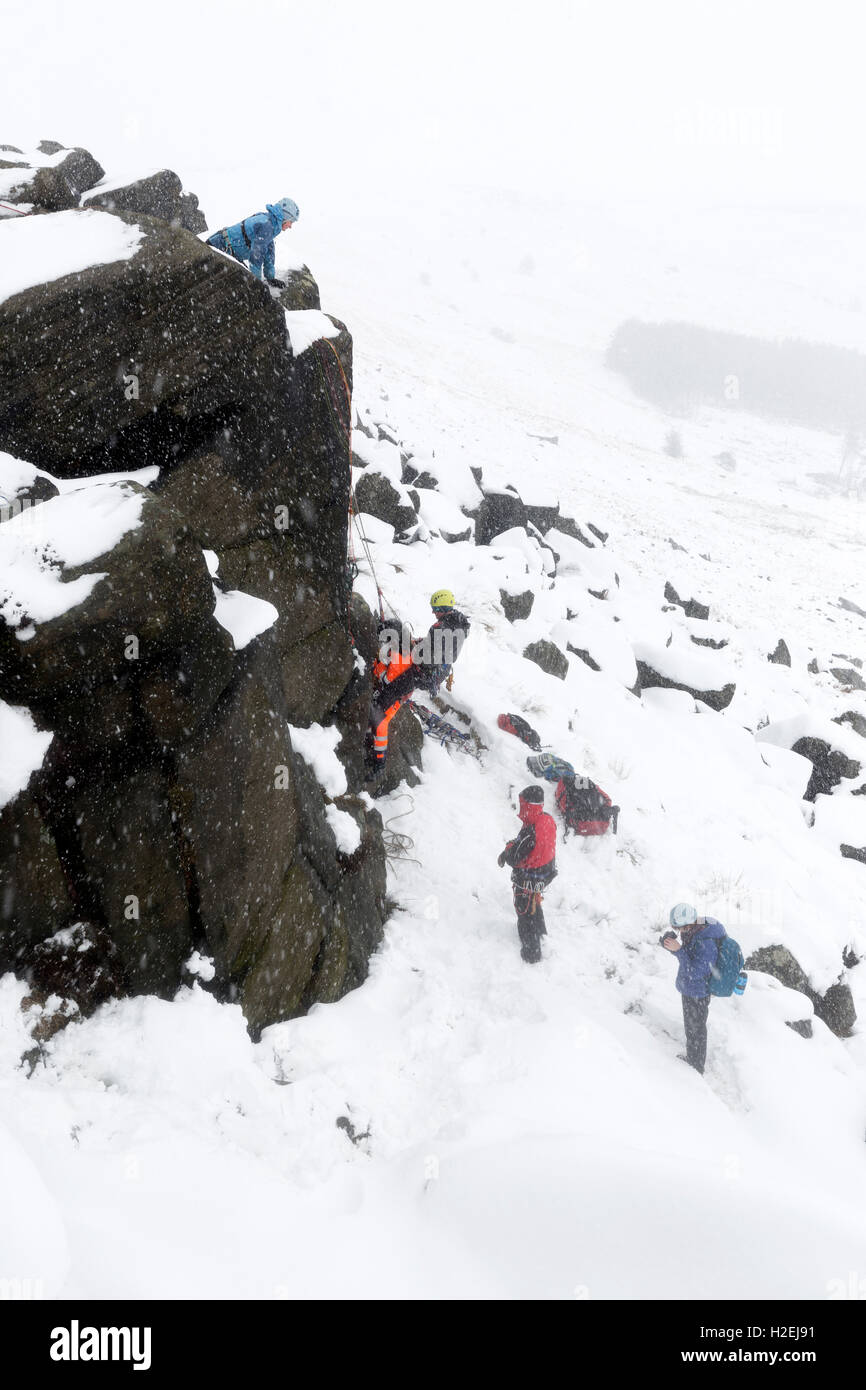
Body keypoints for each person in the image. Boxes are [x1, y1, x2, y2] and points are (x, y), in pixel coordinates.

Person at [366, 591, 471, 776]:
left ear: (442, 608)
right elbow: (435, 647)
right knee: (392, 689)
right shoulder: (457, 626)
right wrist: (417, 644)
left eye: (435, 609)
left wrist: (414, 650)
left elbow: (430, 654)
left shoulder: (442, 628)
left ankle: (378, 764)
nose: (434, 613)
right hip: (431, 673)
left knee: (383, 704)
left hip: (422, 673)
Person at [661, 903, 726, 1074]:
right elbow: (690, 956)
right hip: (691, 988)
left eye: (680, 928)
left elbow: (696, 971)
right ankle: (693, 1058)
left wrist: (679, 950)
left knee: (696, 1030)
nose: (679, 932)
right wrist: (672, 945)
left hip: (698, 991)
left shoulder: (707, 941)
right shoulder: (695, 929)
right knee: (691, 1027)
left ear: (689, 923)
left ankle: (696, 1066)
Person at [497, 785, 557, 963]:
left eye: (522, 804)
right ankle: (541, 931)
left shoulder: (530, 831)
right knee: (535, 905)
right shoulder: (546, 819)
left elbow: (514, 857)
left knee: (524, 912)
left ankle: (532, 953)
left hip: (528, 878)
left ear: (527, 805)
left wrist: (506, 852)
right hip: (544, 873)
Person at [205, 197, 299, 287]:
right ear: (285, 217)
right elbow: (256, 256)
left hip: (226, 249)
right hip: (218, 245)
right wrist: (256, 282)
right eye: (291, 222)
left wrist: (271, 278)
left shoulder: (271, 225)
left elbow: (269, 253)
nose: (290, 226)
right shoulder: (267, 225)